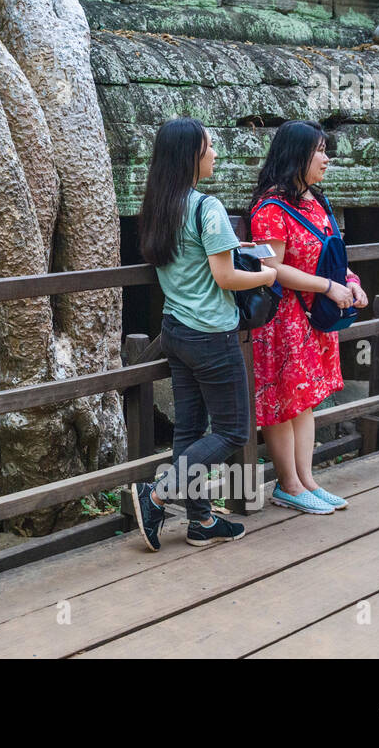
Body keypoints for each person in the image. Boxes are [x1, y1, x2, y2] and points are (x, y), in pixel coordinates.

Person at [129, 118, 278, 551]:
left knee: (189, 431)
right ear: (191, 156)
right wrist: (267, 274)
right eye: (209, 147)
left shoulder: (160, 205)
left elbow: (195, 259)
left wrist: (235, 249)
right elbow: (226, 278)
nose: (215, 154)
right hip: (211, 334)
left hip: (175, 328)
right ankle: (155, 495)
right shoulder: (206, 207)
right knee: (233, 430)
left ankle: (200, 521)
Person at [248, 121, 368, 514]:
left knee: (305, 400)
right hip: (283, 318)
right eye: (318, 150)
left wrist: (349, 282)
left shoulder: (316, 201)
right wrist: (327, 287)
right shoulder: (270, 208)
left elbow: (331, 256)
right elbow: (272, 268)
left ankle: (308, 481)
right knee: (284, 401)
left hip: (311, 316)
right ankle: (288, 485)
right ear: (297, 155)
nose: (326, 157)